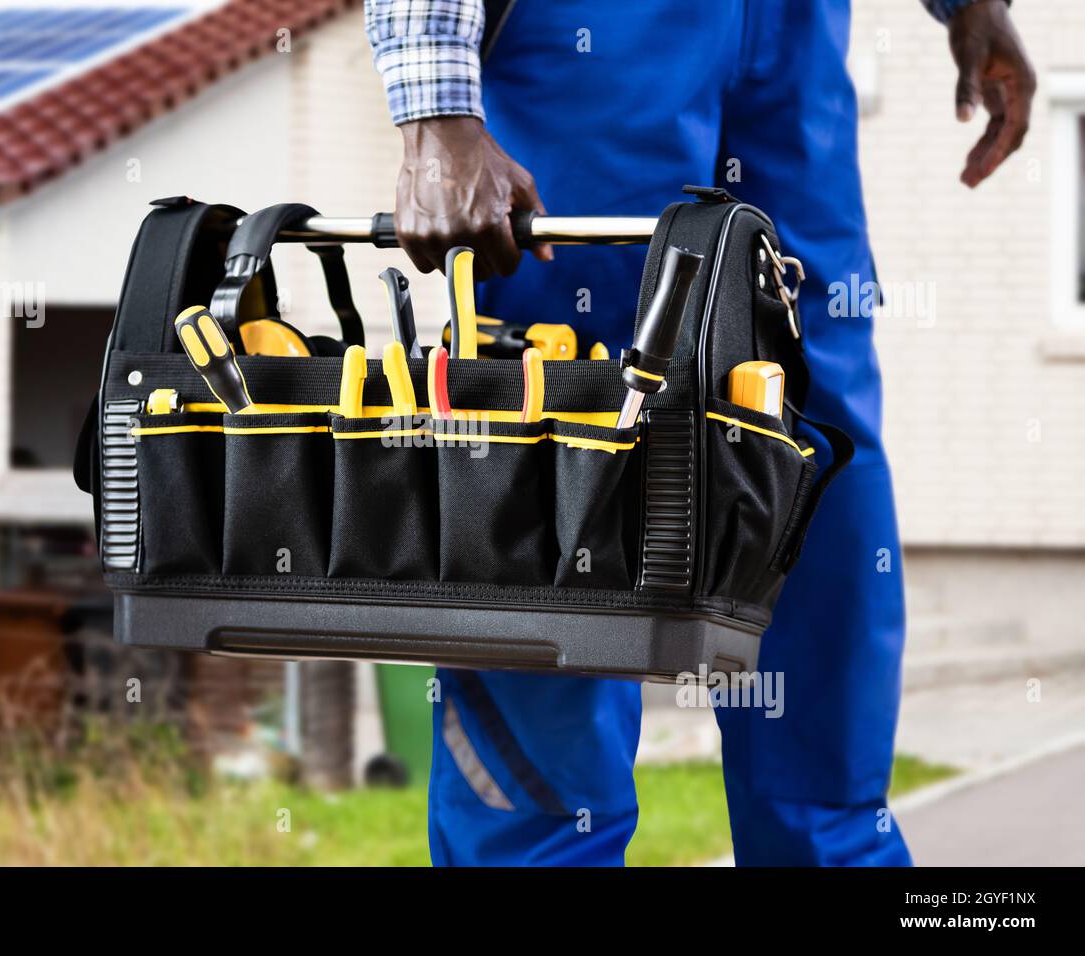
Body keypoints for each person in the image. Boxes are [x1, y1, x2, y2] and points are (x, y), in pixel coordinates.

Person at [364, 0, 1035, 866]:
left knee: (811, 447)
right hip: (590, 39)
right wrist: (435, 107)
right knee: (563, 442)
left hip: (795, 36)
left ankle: (827, 840)